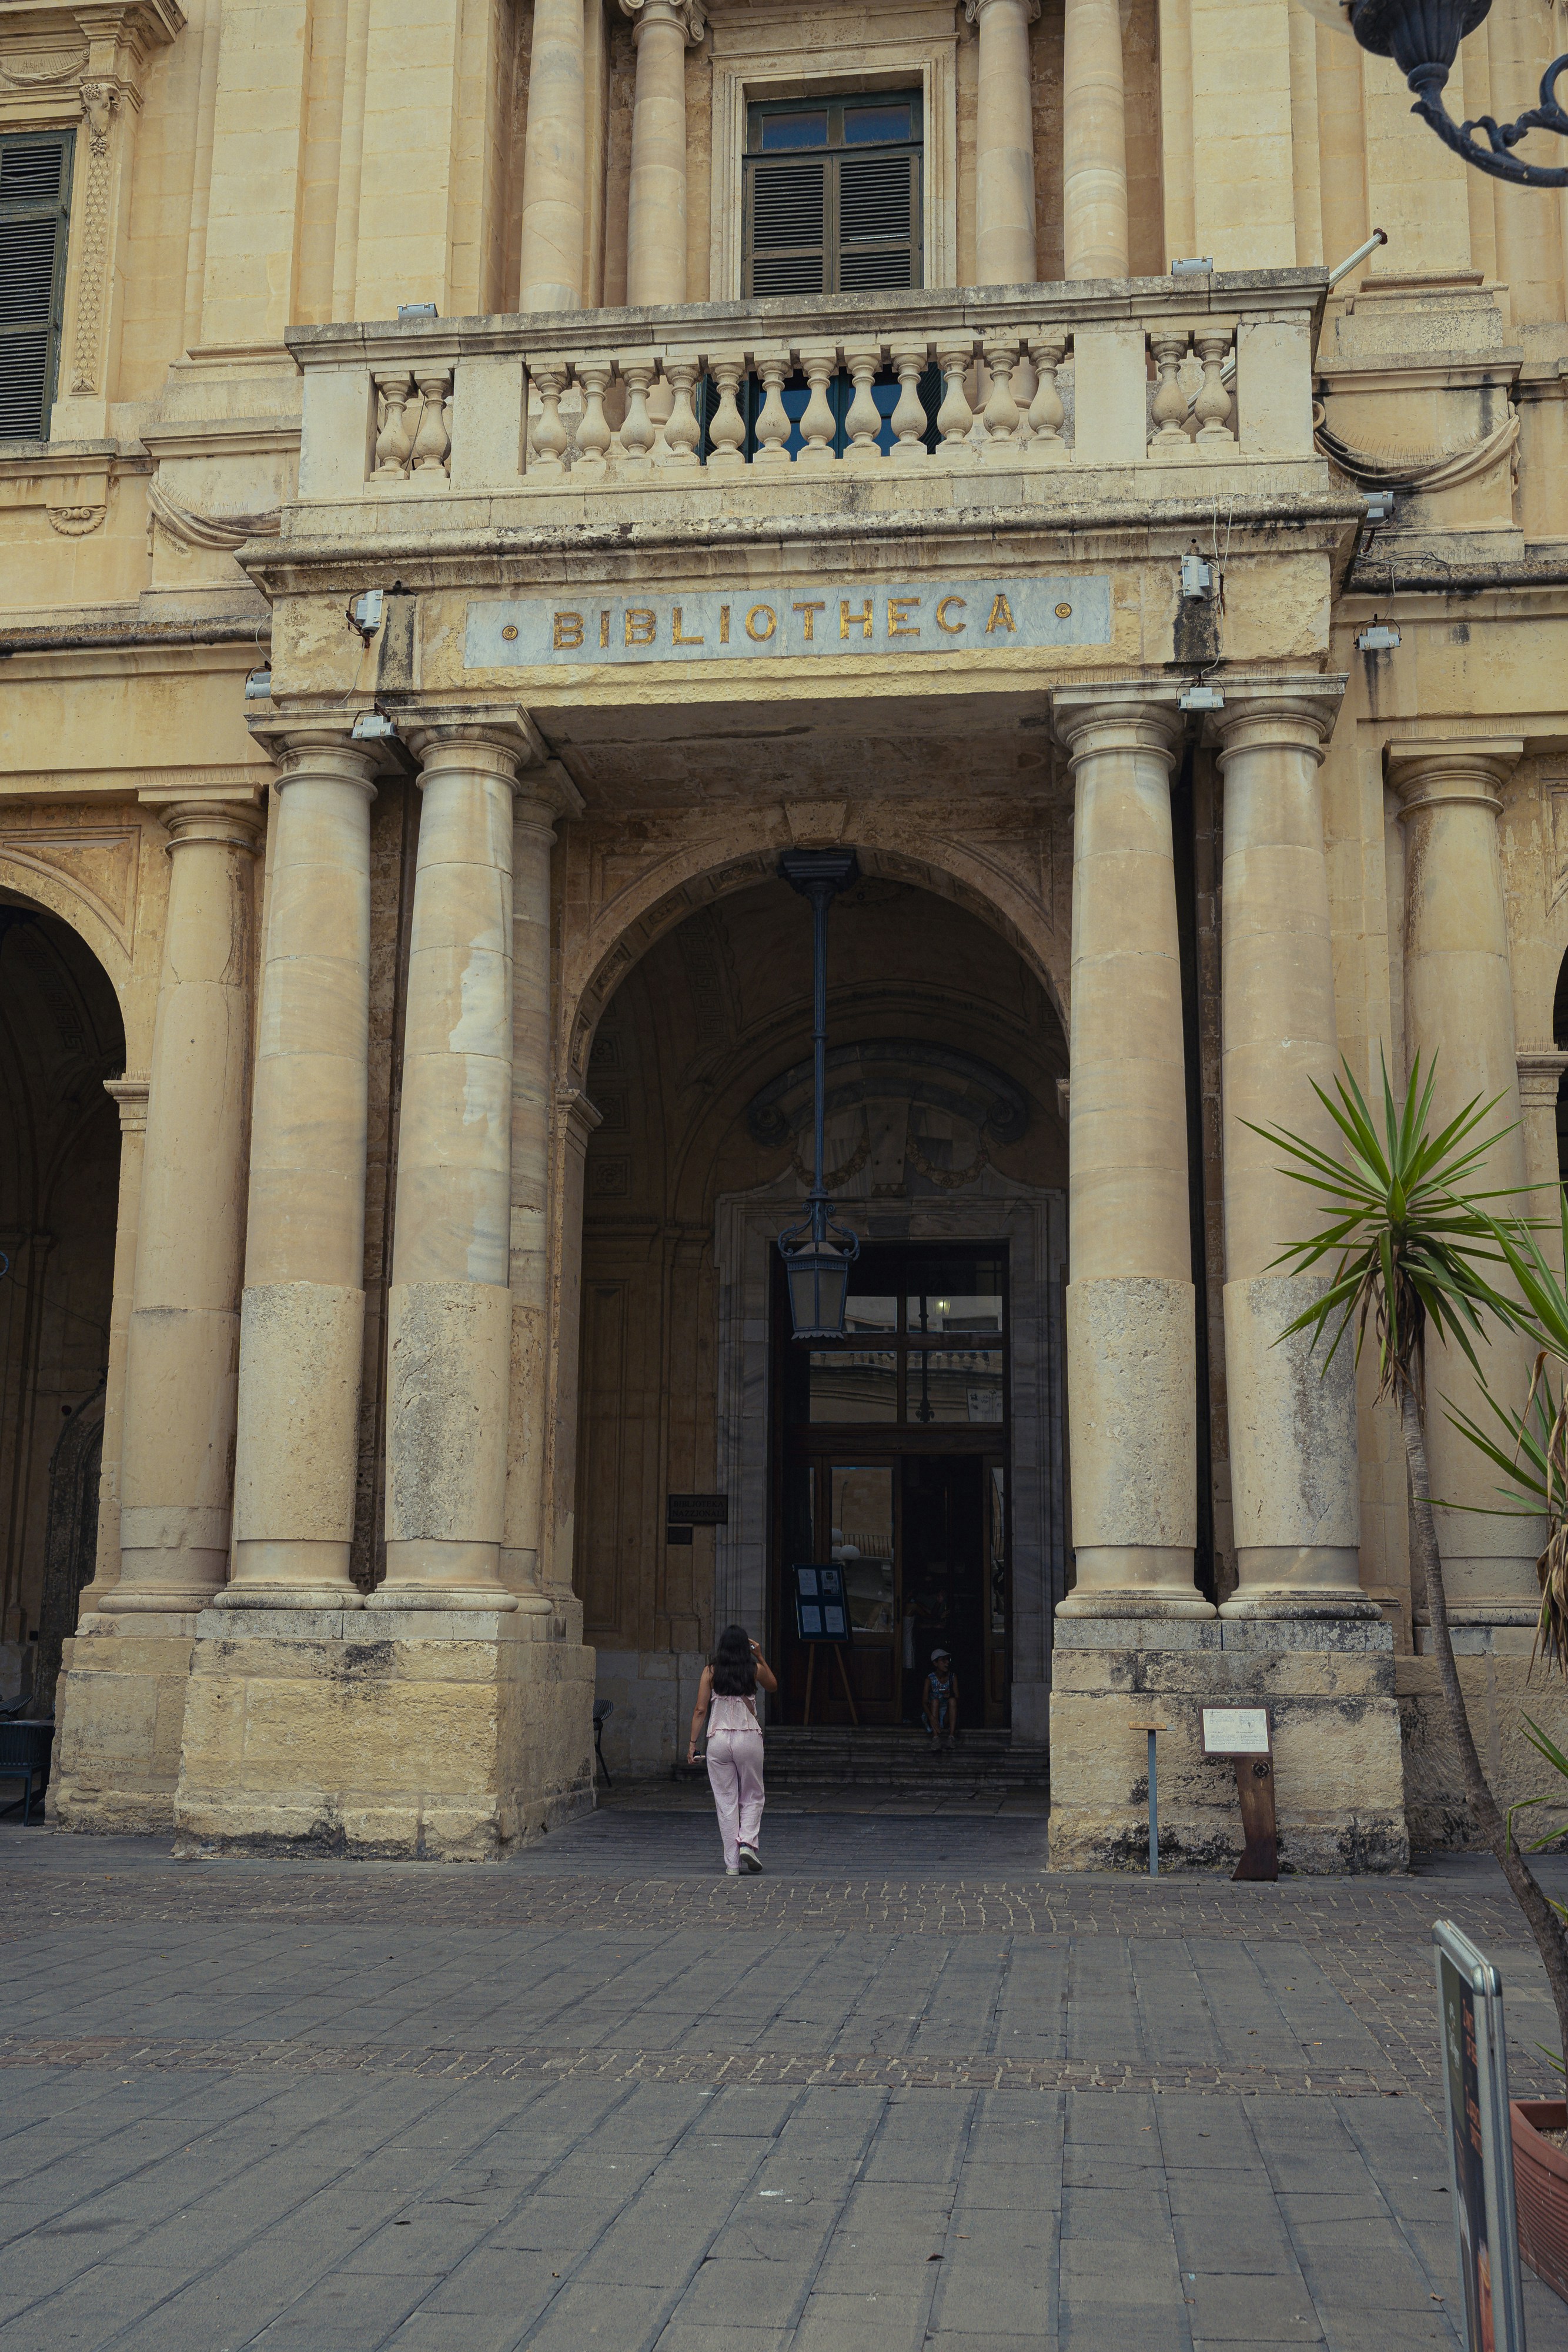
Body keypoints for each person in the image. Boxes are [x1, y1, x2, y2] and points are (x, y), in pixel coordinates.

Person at [687, 1624, 777, 1875]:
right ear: (744, 1648)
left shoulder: (710, 1671)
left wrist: (693, 1745)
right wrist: (759, 1656)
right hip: (748, 1737)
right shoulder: (753, 1669)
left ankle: (732, 1865)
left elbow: (700, 1710)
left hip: (718, 1740)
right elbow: (773, 1685)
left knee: (725, 1801)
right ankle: (748, 1842)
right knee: (753, 1794)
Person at [924, 1647, 959, 1747]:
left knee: (952, 1701)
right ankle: (935, 1739)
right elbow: (924, 1702)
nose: (947, 1663)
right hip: (934, 1713)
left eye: (948, 1660)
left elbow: (957, 1698)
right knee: (934, 1701)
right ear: (935, 1663)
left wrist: (950, 1696)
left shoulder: (952, 1677)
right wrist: (931, 1717)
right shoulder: (930, 1679)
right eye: (943, 1660)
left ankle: (951, 1737)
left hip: (947, 1714)